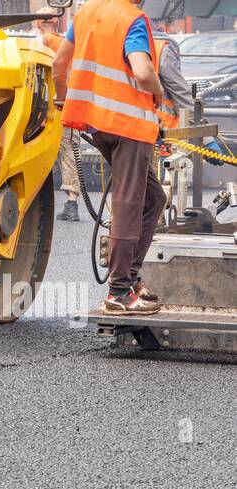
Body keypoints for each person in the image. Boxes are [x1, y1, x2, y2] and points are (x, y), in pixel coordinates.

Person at [54, 0, 168, 315]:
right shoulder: (133, 20)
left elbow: (57, 65)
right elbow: (143, 72)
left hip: (97, 125)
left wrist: (64, 101)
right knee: (130, 204)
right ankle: (119, 291)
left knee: (152, 199)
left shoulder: (86, 13)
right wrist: (158, 91)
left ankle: (128, 280)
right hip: (128, 126)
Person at [38, 10, 83, 221]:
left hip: (47, 107)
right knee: (70, 153)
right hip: (71, 105)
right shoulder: (68, 44)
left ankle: (34, 201)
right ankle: (72, 204)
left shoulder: (41, 42)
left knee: (36, 150)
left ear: (38, 24)